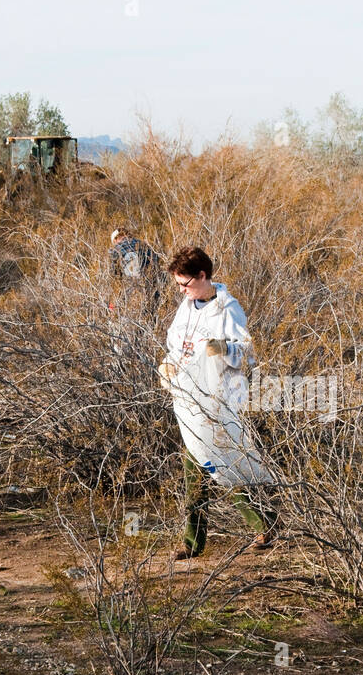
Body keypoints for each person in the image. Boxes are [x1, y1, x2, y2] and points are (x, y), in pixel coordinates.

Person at [159, 246, 275, 559]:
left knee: (221, 463)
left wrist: (221, 349)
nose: (182, 291)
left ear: (202, 275)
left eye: (186, 284)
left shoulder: (227, 307)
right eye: (178, 286)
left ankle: (264, 524)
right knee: (196, 468)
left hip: (217, 399)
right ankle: (193, 542)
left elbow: (246, 352)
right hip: (189, 400)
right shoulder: (186, 306)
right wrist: (169, 365)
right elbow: (177, 344)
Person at [109, 228, 164, 311]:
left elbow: (115, 275)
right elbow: (157, 262)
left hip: (133, 290)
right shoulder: (144, 245)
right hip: (153, 286)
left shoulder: (116, 249)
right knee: (153, 313)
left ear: (116, 239)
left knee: (123, 311)